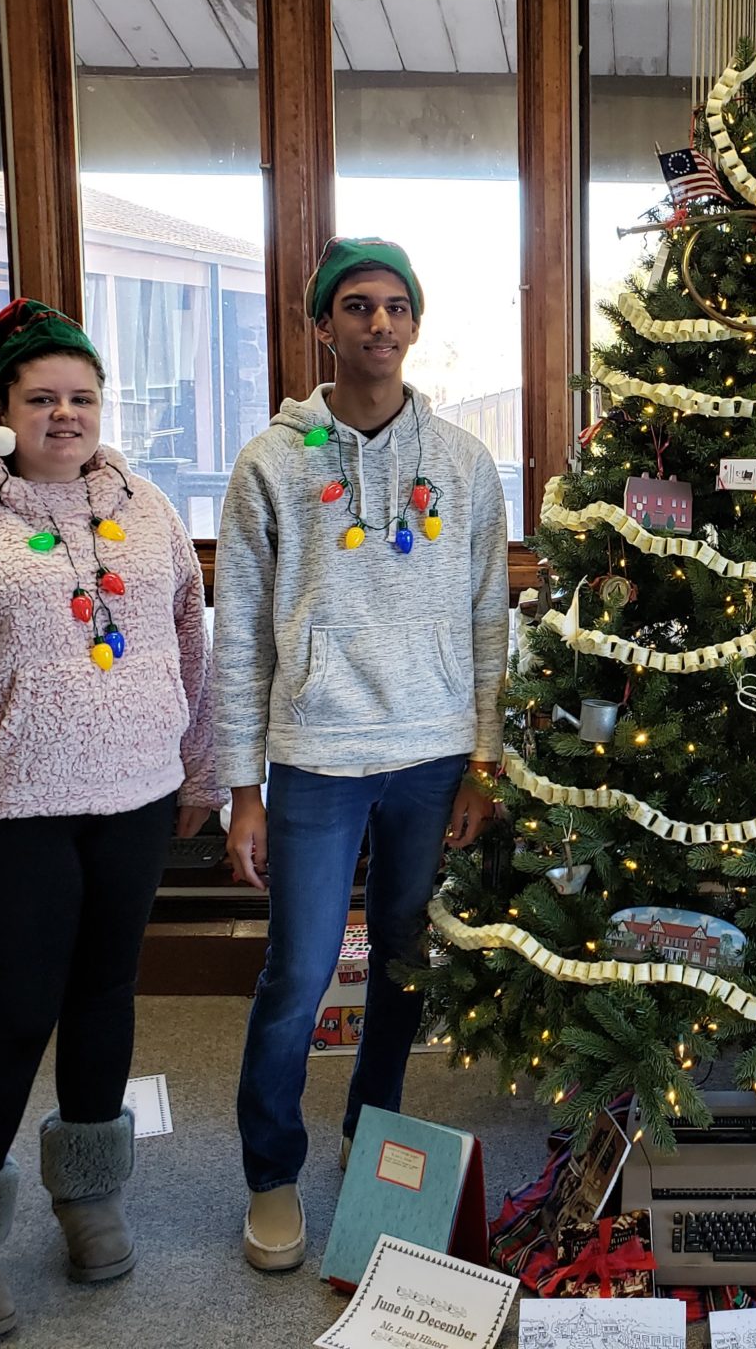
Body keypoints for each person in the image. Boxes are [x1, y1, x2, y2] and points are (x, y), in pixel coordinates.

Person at [0, 300, 219, 1345]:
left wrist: (196, 767)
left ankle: (88, 1193)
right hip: (9, 810)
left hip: (134, 800)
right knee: (14, 1019)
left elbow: (184, 644)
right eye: (42, 397)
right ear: (0, 407)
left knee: (106, 1001)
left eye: (83, 397)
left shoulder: (143, 505)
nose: (66, 414)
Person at [216, 237, 509, 1272]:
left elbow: (487, 618)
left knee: (401, 963)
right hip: (313, 759)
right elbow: (241, 629)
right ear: (323, 326)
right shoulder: (270, 463)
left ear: (415, 325)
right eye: (356, 306)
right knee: (295, 973)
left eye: (395, 306)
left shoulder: (465, 464)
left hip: (430, 759)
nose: (378, 324)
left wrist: (484, 757)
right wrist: (239, 790)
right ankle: (270, 1174)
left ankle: (371, 1133)